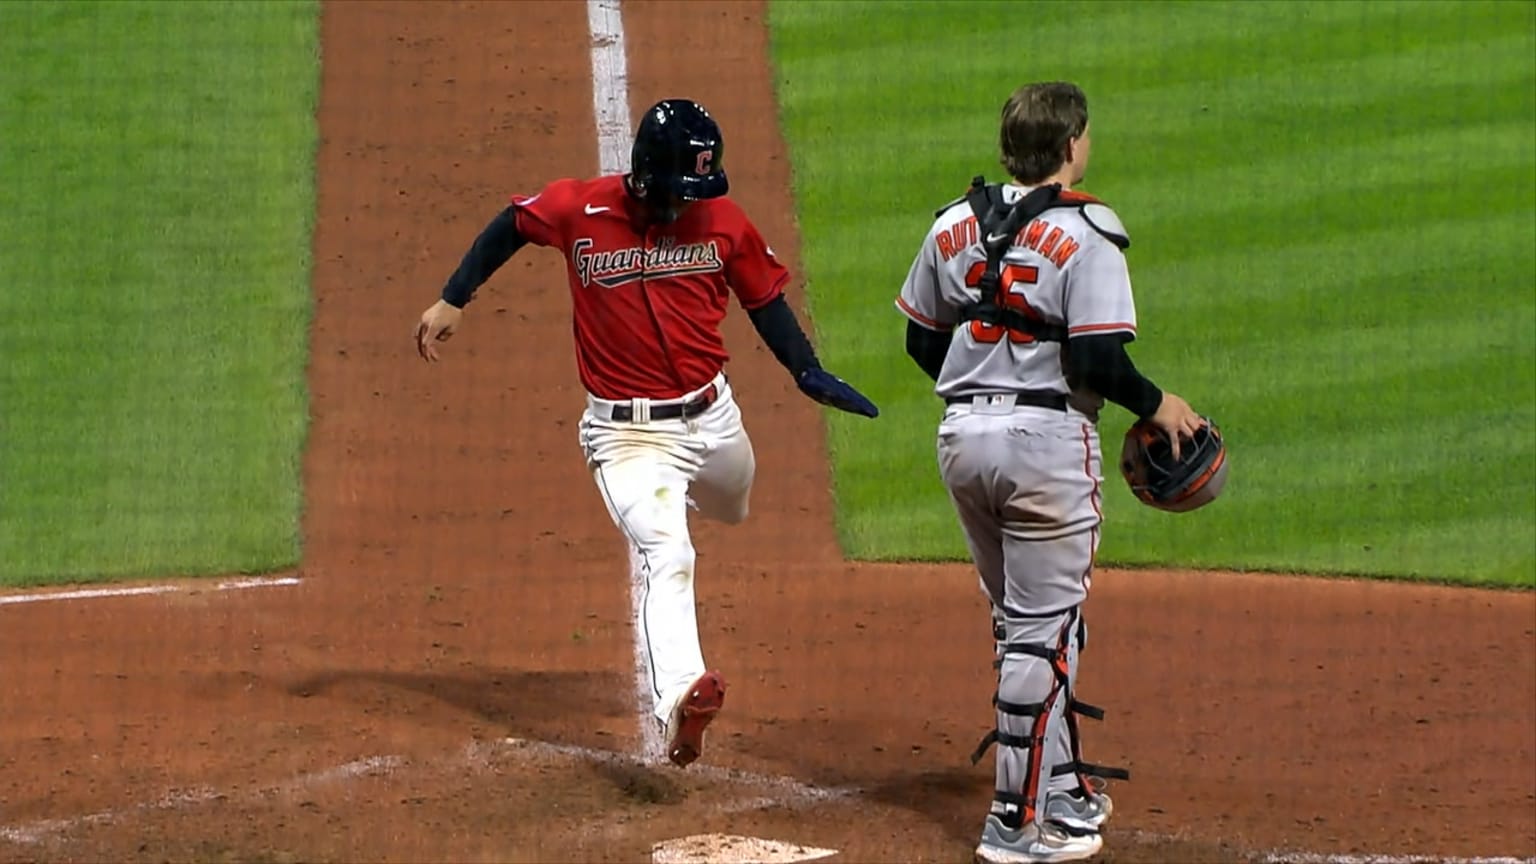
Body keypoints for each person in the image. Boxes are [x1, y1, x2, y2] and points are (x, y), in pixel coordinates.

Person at [415, 98, 878, 769]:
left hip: (714, 420)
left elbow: (764, 300)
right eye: (675, 190)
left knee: (733, 506)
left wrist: (806, 369)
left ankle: (677, 495)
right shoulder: (582, 209)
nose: (684, 204)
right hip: (627, 437)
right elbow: (512, 224)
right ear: (643, 174)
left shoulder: (720, 219)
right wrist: (455, 296)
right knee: (670, 553)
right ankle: (681, 700)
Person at [895, 81, 1207, 862]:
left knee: (1027, 622)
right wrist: (1159, 404)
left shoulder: (952, 222)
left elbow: (921, 342)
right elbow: (1098, 357)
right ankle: (1014, 821)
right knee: (1043, 630)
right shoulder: (1088, 231)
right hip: (1046, 444)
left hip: (962, 438)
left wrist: (984, 373)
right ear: (1071, 146)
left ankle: (1062, 788)